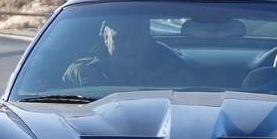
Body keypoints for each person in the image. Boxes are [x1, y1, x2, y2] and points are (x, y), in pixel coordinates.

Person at [63, 17, 196, 88]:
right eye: (120, 38)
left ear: (147, 40)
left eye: (137, 38)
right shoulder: (80, 73)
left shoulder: (176, 78)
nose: (129, 46)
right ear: (106, 38)